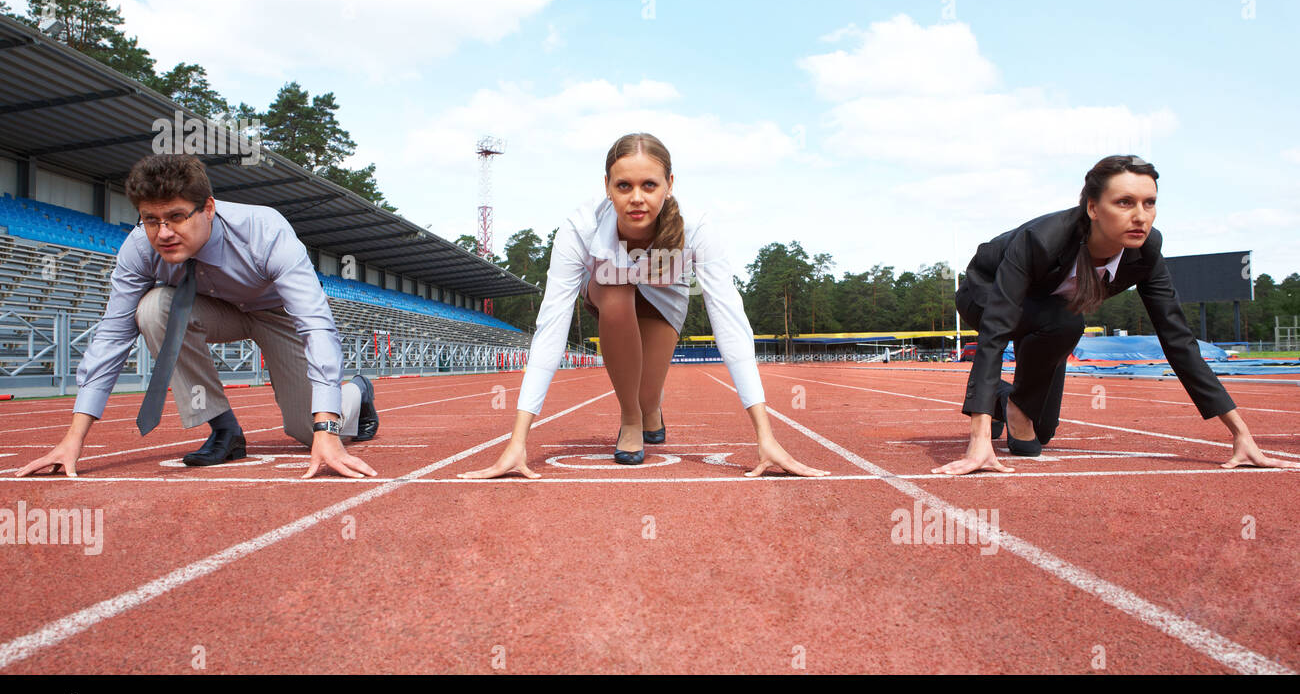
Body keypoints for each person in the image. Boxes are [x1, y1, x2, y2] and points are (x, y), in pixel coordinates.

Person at [459, 132, 827, 479]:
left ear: (669, 184)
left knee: (648, 394)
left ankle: (649, 410)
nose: (637, 197)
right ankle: (630, 420)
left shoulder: (698, 228)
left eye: (649, 185)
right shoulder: (580, 228)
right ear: (607, 187)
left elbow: (729, 319)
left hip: (664, 300)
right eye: (624, 186)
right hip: (607, 296)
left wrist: (765, 436)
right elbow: (551, 326)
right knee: (616, 289)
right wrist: (517, 441)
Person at [18, 153, 379, 480]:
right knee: (153, 308)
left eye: (176, 217)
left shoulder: (264, 230)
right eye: (150, 219)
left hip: (276, 313)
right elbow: (114, 334)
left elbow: (316, 324)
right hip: (217, 311)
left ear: (207, 207)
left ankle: (356, 392)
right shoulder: (138, 250)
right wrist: (73, 440)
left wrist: (327, 430)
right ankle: (224, 429)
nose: (163, 233)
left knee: (307, 428)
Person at [935, 154, 1295, 476]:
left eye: (1149, 203)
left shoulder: (1146, 250)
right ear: (1093, 208)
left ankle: (1005, 399)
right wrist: (978, 439)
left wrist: (1241, 434)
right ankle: (1003, 409)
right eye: (1124, 202)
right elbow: (996, 333)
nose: (1140, 216)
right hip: (984, 294)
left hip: (1054, 317)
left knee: (1039, 435)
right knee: (1065, 321)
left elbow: (1177, 337)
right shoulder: (1041, 240)